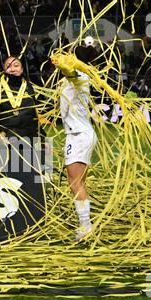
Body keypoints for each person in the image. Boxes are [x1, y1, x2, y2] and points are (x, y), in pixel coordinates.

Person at [52, 41, 101, 241]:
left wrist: (61, 64)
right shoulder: (80, 77)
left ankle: (86, 228)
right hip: (78, 134)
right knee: (78, 182)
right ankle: (85, 225)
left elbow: (69, 72)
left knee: (75, 183)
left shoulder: (79, 76)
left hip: (79, 135)